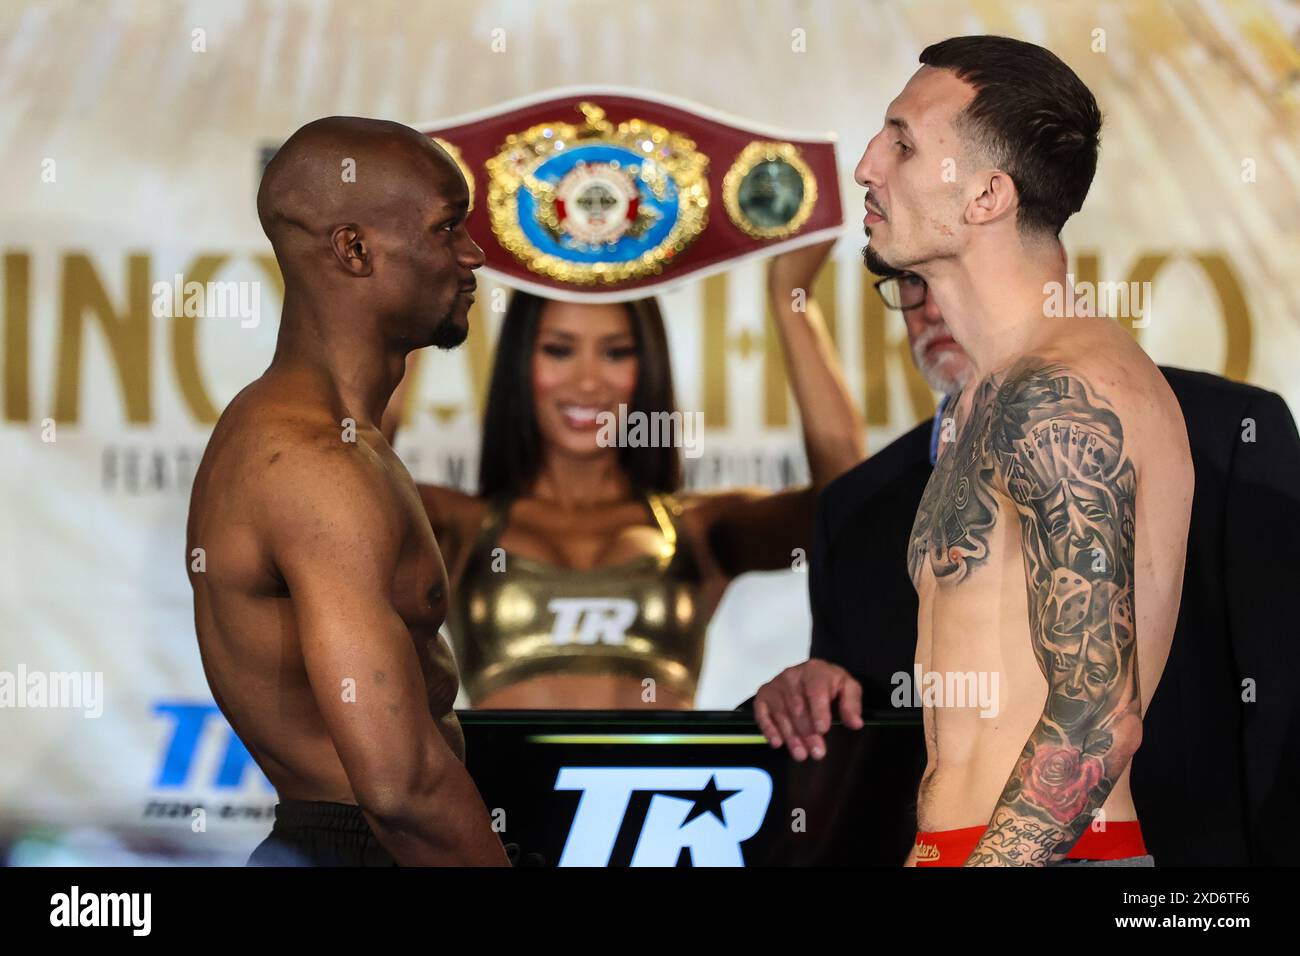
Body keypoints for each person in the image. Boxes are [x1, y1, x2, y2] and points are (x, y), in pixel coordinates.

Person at [808, 35, 1195, 867]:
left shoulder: (1067, 389)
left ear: (987, 195)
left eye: (904, 143)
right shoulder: (990, 394)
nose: (869, 166)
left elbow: (1097, 719)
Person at [187, 116, 507, 866]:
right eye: (448, 228)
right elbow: (399, 788)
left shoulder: (331, 435)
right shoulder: (310, 460)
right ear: (354, 249)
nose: (474, 256)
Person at [387, 240, 864, 709]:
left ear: (648, 365)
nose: (588, 381)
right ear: (519, 362)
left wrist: (792, 296)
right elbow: (352, 475)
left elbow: (847, 504)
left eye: (616, 353)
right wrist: (420, 304)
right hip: (497, 790)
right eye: (559, 350)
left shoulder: (694, 530)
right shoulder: (456, 526)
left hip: (666, 789)